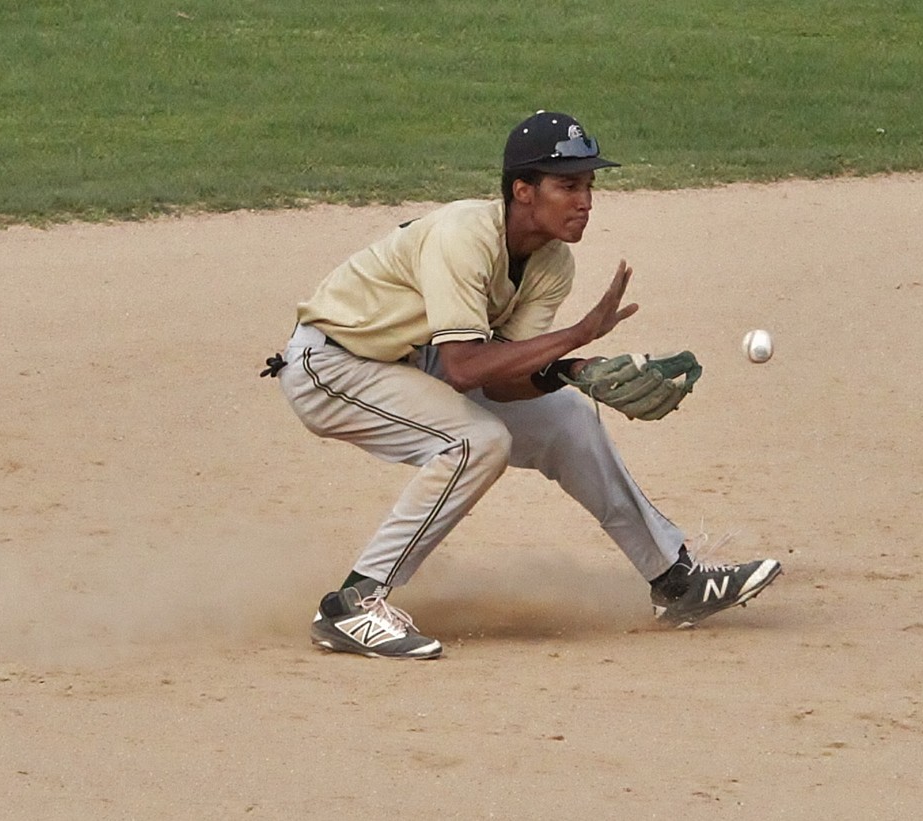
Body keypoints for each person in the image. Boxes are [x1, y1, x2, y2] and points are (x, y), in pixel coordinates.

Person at [260, 110, 781, 659]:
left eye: (589, 186)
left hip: (409, 363)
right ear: (523, 190)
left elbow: (506, 379)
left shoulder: (552, 262)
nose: (585, 201)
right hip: (332, 365)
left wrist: (572, 371)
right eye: (568, 186)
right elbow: (463, 369)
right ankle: (352, 604)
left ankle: (676, 581)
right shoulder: (463, 236)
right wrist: (579, 335)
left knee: (567, 417)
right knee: (476, 442)